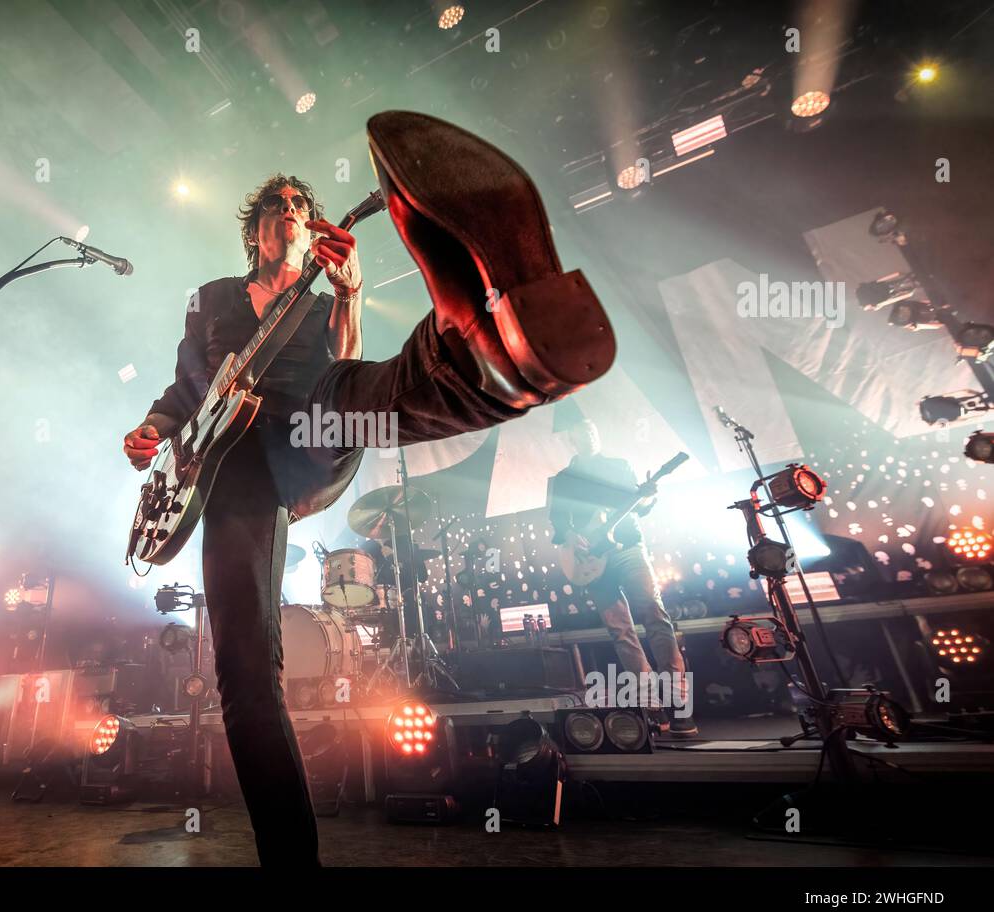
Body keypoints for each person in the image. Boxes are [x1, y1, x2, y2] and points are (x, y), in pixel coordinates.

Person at [124, 110, 615, 865]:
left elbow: (343, 357)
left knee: (361, 393)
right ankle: (495, 359)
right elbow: (187, 381)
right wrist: (156, 430)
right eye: (276, 207)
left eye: (299, 206)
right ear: (254, 229)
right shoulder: (213, 297)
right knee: (246, 672)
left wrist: (349, 292)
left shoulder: (319, 300)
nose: (289, 214)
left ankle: (488, 333)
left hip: (311, 424)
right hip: (228, 470)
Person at [548, 419, 697, 735]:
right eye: (582, 429)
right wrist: (573, 536)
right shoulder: (563, 479)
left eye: (592, 428)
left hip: (628, 548)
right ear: (572, 437)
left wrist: (648, 496)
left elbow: (640, 507)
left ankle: (678, 703)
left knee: (655, 616)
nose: (589, 433)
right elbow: (558, 523)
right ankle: (651, 707)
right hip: (591, 559)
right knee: (621, 631)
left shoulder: (619, 466)